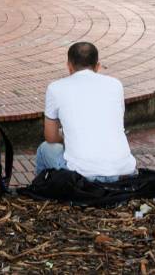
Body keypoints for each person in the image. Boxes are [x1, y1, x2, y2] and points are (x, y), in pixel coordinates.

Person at [35, 42, 136, 183]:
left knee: (45, 149)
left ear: (69, 66)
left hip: (83, 177)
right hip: (125, 171)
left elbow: (51, 137)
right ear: (98, 66)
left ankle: (41, 189)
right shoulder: (115, 85)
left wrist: (66, 138)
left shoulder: (55, 88)